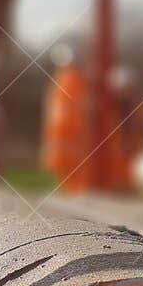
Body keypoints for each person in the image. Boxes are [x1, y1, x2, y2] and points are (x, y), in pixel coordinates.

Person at [41, 42, 92, 190]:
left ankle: (72, 189)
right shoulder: (65, 80)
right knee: (63, 168)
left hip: (72, 133)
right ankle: (68, 189)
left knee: (72, 166)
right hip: (62, 133)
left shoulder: (71, 80)